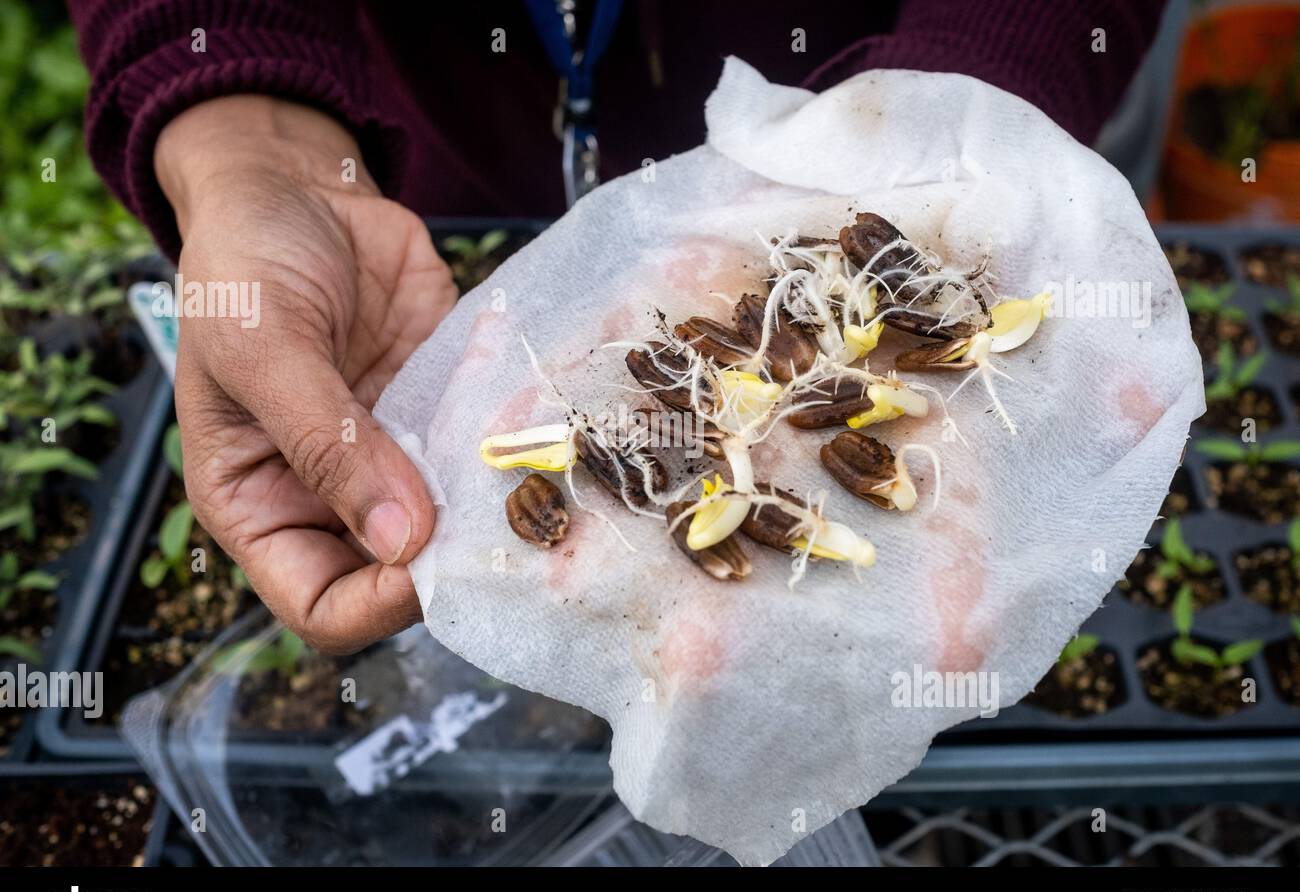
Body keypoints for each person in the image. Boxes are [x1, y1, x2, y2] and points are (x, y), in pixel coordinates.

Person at [69, 1, 1166, 652]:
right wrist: (244, 135)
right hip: (421, 194)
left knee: (859, 617)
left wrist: (953, 117)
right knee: (517, 542)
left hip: (910, 134)